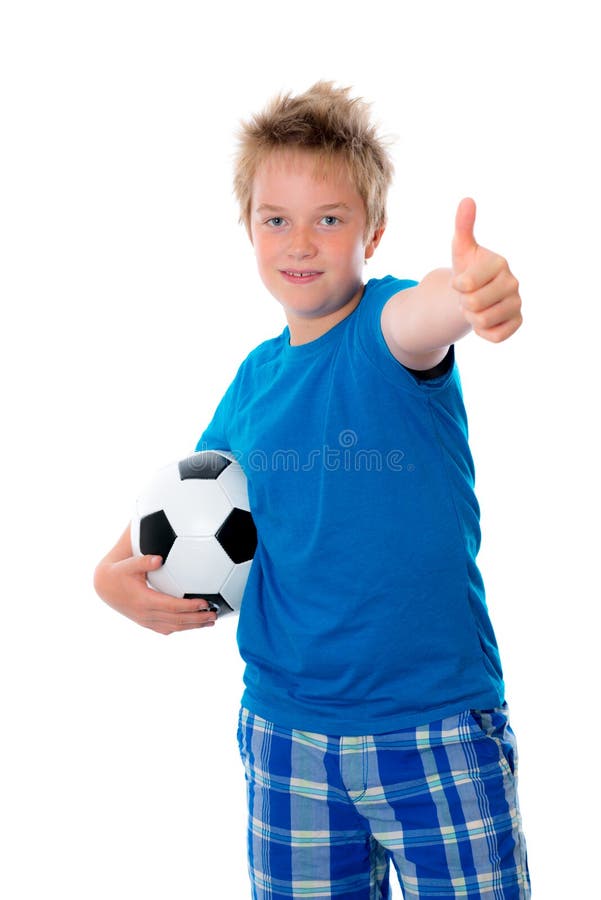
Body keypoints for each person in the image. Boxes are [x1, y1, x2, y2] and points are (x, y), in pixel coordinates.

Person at [94, 81, 531, 899]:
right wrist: (108, 577)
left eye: (329, 218)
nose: (302, 241)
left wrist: (471, 293)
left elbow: (430, 311)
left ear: (373, 229)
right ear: (248, 228)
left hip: (431, 727)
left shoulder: (387, 328)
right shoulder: (254, 381)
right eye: (276, 219)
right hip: (286, 736)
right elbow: (190, 498)